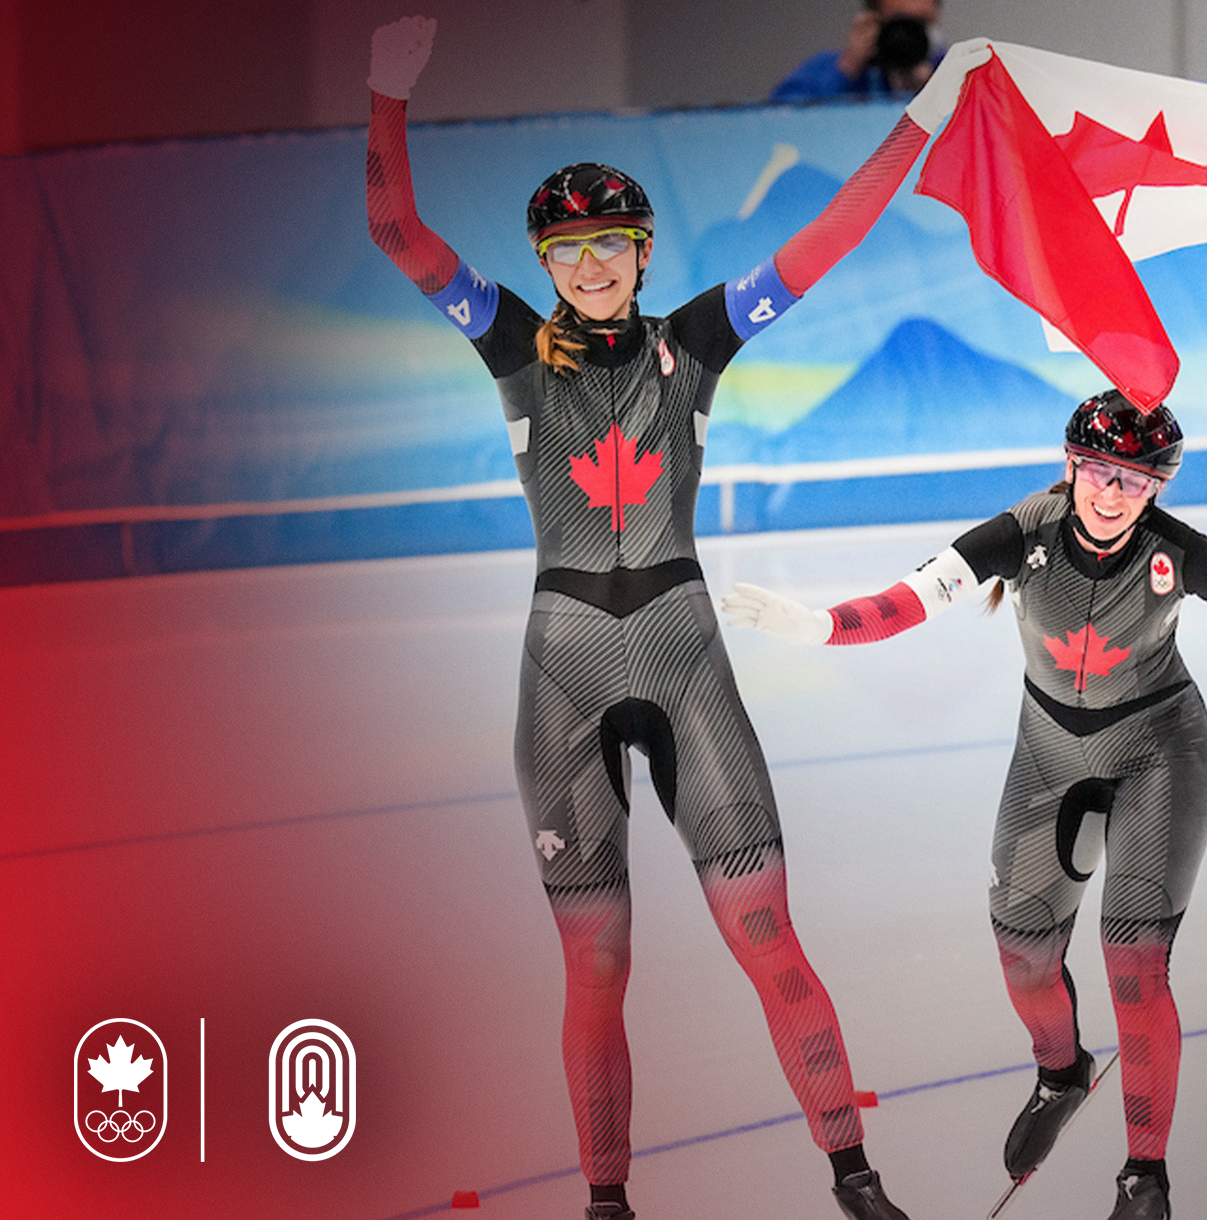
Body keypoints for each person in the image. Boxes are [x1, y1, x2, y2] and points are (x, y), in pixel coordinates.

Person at [363, 17, 984, 1220]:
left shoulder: (695, 339)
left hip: (686, 661)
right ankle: (607, 1203)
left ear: (643, 252)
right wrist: (388, 89)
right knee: (596, 963)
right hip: (565, 678)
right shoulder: (510, 341)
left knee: (768, 936)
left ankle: (856, 1179)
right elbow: (399, 234)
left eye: (610, 243)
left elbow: (829, 239)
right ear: (546, 261)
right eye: (568, 248)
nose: (590, 264)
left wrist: (919, 116)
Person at [722, 392, 1207, 1220]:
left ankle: (1145, 1180)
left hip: (1159, 753)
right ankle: (1061, 1073)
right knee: (1022, 953)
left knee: (1134, 960)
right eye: (1099, 472)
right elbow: (909, 602)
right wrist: (818, 627)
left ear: (1158, 489)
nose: (1112, 494)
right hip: (1049, 755)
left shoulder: (1182, 555)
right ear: (1070, 465)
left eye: (1135, 482)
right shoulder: (1019, 534)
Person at [772, 0, 945, 103]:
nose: (910, 34)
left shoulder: (950, 68)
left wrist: (931, 88)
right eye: (900, 23)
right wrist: (848, 67)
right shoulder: (831, 67)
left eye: (922, 22)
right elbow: (780, 117)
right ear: (872, 20)